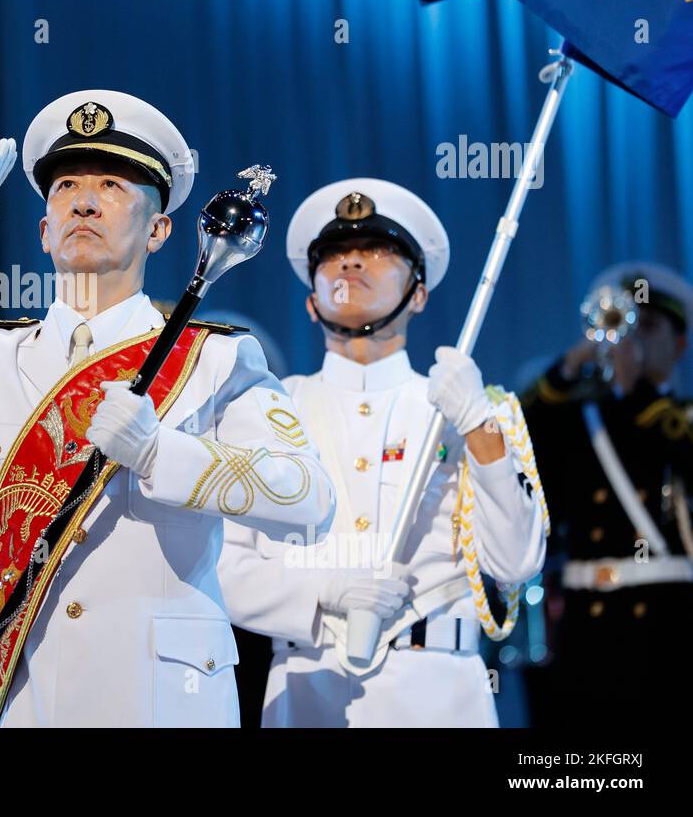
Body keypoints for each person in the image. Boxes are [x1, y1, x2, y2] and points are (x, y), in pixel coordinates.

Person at [0, 90, 334, 727]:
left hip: (157, 705)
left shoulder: (213, 361)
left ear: (160, 230)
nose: (83, 199)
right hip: (17, 703)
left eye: (112, 184)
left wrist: (164, 454)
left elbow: (310, 499)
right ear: (44, 230)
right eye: (66, 186)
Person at [219, 178, 547, 726]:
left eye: (376, 251)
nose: (352, 264)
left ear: (418, 292)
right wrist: (325, 591)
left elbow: (515, 563)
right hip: (309, 684)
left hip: (440, 689)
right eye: (335, 256)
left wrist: (478, 427)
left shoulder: (465, 407)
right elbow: (225, 566)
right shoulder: (272, 407)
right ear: (311, 300)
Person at [520, 261, 693, 726]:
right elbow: (517, 429)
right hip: (583, 624)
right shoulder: (580, 418)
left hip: (663, 623)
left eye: (649, 326)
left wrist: (633, 389)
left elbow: (677, 446)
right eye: (624, 322)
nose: (632, 336)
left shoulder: (678, 416)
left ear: (679, 345)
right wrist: (572, 365)